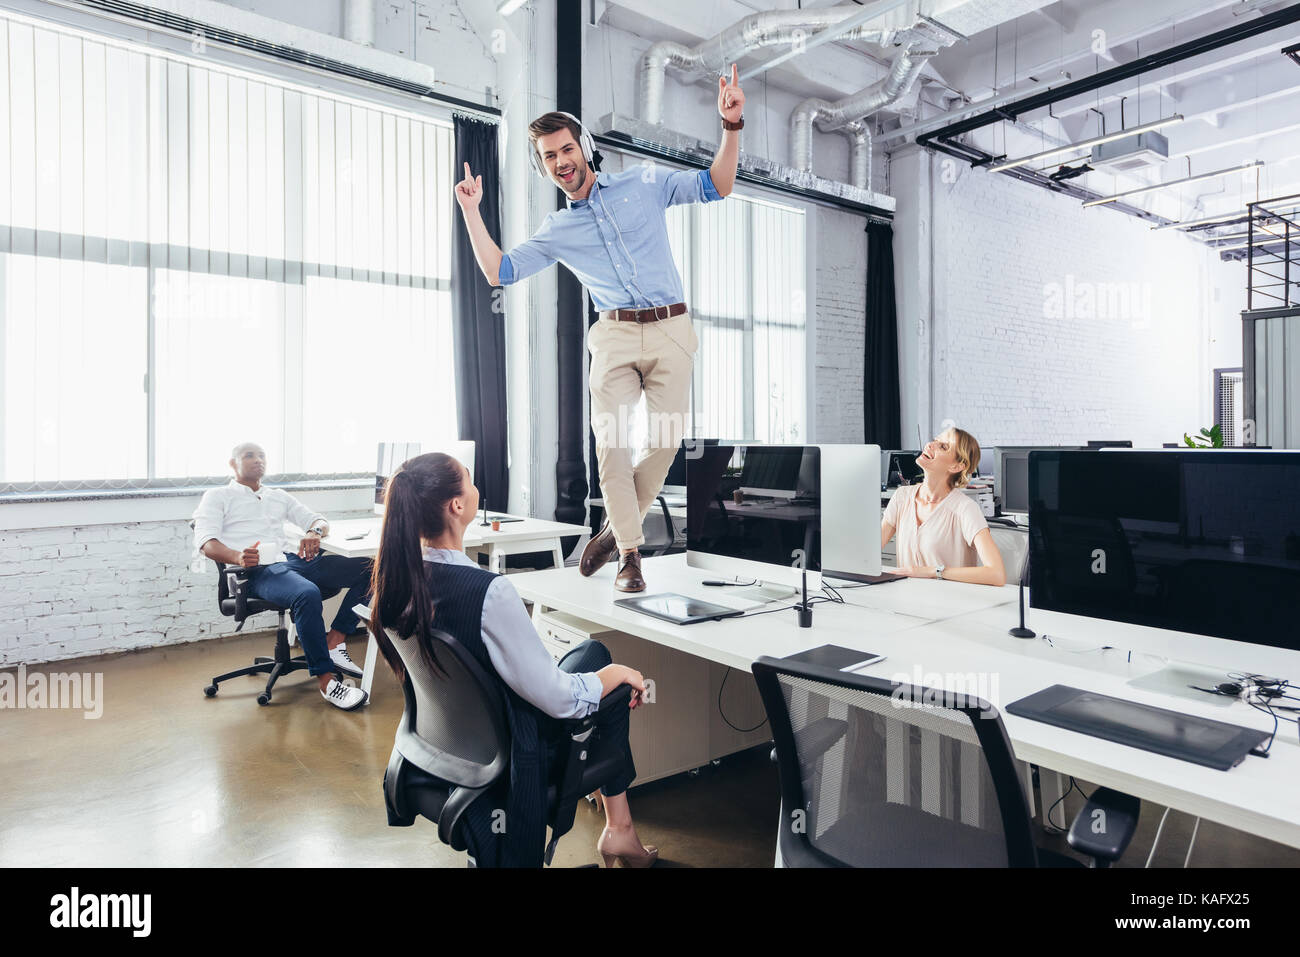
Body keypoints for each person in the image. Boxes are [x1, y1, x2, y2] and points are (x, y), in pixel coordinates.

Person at [454, 66, 746, 593]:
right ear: (542, 169)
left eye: (566, 149)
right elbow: (500, 271)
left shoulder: (645, 183)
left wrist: (731, 125)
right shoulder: (559, 229)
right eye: (549, 157)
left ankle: (617, 524)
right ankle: (630, 555)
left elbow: (717, 185)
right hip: (612, 336)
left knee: (664, 442)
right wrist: (472, 211)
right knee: (610, 441)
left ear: (584, 147)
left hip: (671, 329)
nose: (561, 162)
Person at [367, 452, 656, 867]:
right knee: (610, 674)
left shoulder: (393, 584)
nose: (474, 482)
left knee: (591, 652)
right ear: (458, 506)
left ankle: (620, 830)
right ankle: (620, 830)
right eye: (468, 477)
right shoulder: (490, 591)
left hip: (447, 741)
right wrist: (616, 676)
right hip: (512, 752)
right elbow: (559, 701)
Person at [192, 442, 372, 710]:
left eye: (262, 455)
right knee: (306, 593)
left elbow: (318, 520)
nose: (257, 460)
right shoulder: (218, 496)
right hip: (254, 571)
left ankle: (334, 640)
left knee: (373, 569)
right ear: (233, 464)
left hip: (291, 562)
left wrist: (314, 533)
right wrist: (238, 556)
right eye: (249, 456)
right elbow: (207, 543)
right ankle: (327, 682)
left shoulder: (277, 495)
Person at [881, 428, 1007, 587]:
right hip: (906, 601)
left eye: (943, 447)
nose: (930, 445)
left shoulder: (965, 509)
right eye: (935, 440)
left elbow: (996, 574)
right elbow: (869, 553)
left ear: (956, 466)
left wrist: (933, 572)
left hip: (949, 605)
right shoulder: (901, 497)